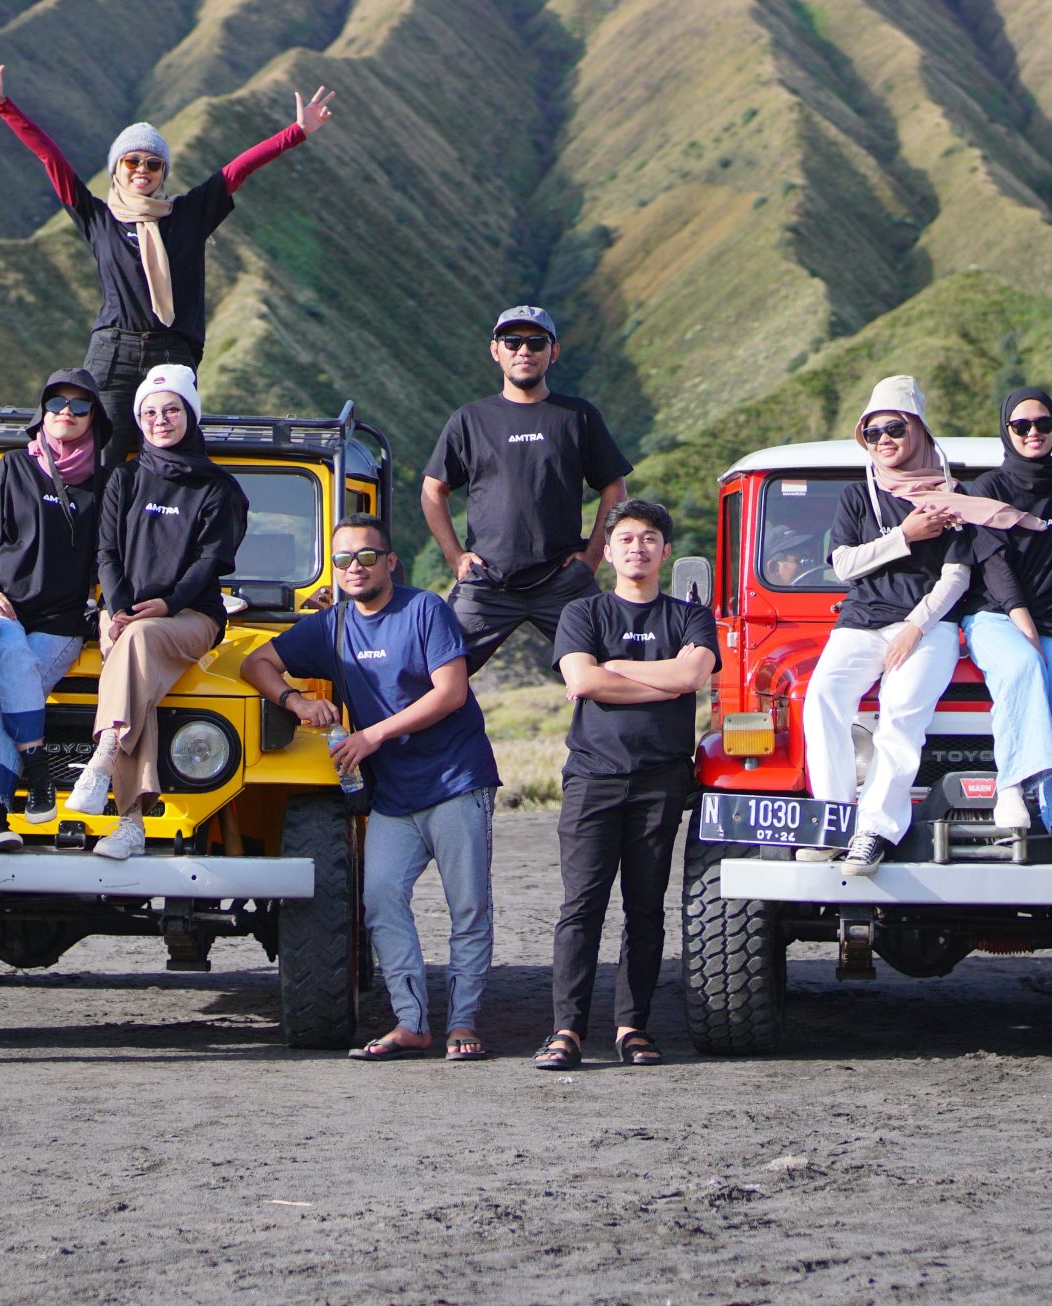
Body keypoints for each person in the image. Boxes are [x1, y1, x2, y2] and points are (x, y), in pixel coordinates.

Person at [0, 54, 336, 465]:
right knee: (101, 462)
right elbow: (51, 159)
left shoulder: (190, 213)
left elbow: (238, 169)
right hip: (113, 353)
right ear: (116, 170)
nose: (142, 169)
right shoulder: (98, 218)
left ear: (163, 172)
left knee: (170, 460)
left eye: (153, 163)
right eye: (132, 161)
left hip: (172, 353)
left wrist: (298, 131)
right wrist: (4, 107)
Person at [240, 515, 502, 1062]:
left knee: (468, 908)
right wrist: (296, 701)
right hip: (391, 793)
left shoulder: (425, 609)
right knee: (380, 899)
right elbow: (255, 662)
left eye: (365, 557)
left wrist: (373, 735)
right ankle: (412, 1023)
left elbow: (451, 693)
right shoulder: (332, 625)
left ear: (389, 562)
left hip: (456, 780)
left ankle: (462, 1023)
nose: (353, 568)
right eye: (342, 560)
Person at [534, 499, 718, 1071]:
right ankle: (566, 1031)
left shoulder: (689, 616)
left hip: (661, 779)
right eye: (627, 539)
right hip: (593, 778)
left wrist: (615, 669)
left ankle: (631, 1027)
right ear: (608, 551)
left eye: (649, 539)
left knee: (646, 909)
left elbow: (693, 674)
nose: (637, 548)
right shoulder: (583, 614)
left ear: (665, 551)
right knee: (581, 907)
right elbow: (582, 680)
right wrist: (655, 680)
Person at [67, 364, 249, 859]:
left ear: (190, 413)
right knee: (137, 683)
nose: (160, 419)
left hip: (193, 617)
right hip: (124, 613)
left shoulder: (218, 489)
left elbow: (210, 561)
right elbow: (105, 552)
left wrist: (166, 605)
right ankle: (130, 825)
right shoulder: (123, 478)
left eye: (171, 409)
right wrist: (118, 608)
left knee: (139, 644)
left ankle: (104, 755)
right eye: (149, 411)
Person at [802, 378, 975, 877]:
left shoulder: (952, 496)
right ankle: (833, 820)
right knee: (823, 698)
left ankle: (873, 831)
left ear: (916, 428)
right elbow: (845, 565)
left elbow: (957, 575)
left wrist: (915, 628)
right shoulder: (859, 495)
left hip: (929, 624)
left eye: (893, 428)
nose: (883, 440)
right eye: (872, 432)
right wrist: (906, 535)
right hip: (861, 620)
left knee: (902, 713)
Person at [421, 306, 632, 673]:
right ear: (495, 350)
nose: (524, 350)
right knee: (432, 673)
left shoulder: (577, 416)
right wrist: (456, 557)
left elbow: (614, 486)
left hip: (563, 582)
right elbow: (432, 490)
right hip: (486, 584)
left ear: (553, 351)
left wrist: (591, 559)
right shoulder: (470, 419)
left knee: (616, 667)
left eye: (536, 342)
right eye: (513, 341)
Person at [960, 386, 1052, 873]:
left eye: (1042, 424)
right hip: (994, 613)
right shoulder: (987, 489)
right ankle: (1011, 788)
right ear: (1005, 430)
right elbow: (996, 567)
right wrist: (1024, 625)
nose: (1033, 433)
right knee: (1024, 666)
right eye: (1021, 426)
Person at [0, 368, 110, 850]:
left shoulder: (105, 481)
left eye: (79, 406)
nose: (66, 414)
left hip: (62, 620)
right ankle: (35, 778)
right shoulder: (14, 467)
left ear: (95, 416)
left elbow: (109, 556)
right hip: (4, 608)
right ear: (42, 412)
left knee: (15, 683)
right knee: (13, 652)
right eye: (56, 403)